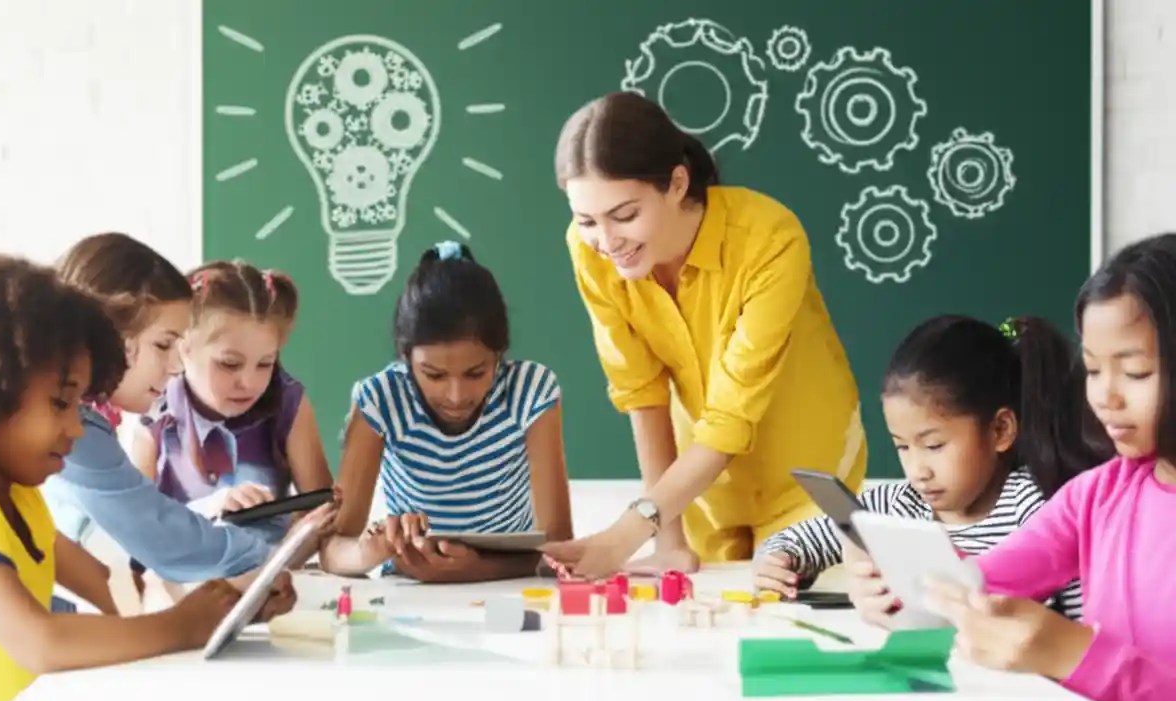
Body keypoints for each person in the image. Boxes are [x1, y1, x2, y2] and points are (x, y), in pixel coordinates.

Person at [0, 251, 293, 701]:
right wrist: (182, 626)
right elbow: (40, 641)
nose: (78, 428)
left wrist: (233, 606)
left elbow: (113, 593)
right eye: (62, 403)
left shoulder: (20, 500)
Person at [542, 91, 866, 577]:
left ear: (676, 183)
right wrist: (667, 540)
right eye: (586, 219)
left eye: (625, 215)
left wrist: (627, 533)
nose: (607, 242)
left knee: (795, 623)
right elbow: (641, 394)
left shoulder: (770, 239)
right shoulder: (589, 252)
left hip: (808, 481)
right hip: (697, 494)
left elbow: (731, 418)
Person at [855, 234, 1176, 701]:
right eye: (1092, 370)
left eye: (1134, 373)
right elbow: (984, 580)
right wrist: (901, 583)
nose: (1105, 396)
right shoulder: (1099, 495)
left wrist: (1075, 654)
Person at [754, 315, 1108, 619]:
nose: (917, 470)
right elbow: (800, 538)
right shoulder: (898, 505)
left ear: (1000, 430)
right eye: (902, 447)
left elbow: (1088, 627)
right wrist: (779, 561)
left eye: (934, 445)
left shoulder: (1038, 510)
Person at [41, 233, 331, 583]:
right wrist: (269, 560)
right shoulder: (78, 430)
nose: (175, 366)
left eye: (265, 364)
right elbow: (153, 533)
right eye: (164, 345)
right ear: (108, 334)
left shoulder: (76, 419)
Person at [334, 241, 573, 582]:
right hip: (407, 590)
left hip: (507, 586)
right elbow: (333, 549)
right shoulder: (379, 398)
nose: (457, 396)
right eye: (434, 375)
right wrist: (367, 552)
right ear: (405, 356)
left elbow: (560, 547)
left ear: (499, 354)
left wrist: (478, 569)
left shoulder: (530, 390)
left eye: (476, 373)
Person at [134, 261, 332, 538]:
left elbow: (323, 516)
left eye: (265, 364)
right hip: (182, 575)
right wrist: (208, 507)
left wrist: (282, 555)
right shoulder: (153, 410)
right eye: (229, 364)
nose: (249, 382)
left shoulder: (289, 403)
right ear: (183, 347)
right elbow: (136, 527)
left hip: (269, 571)